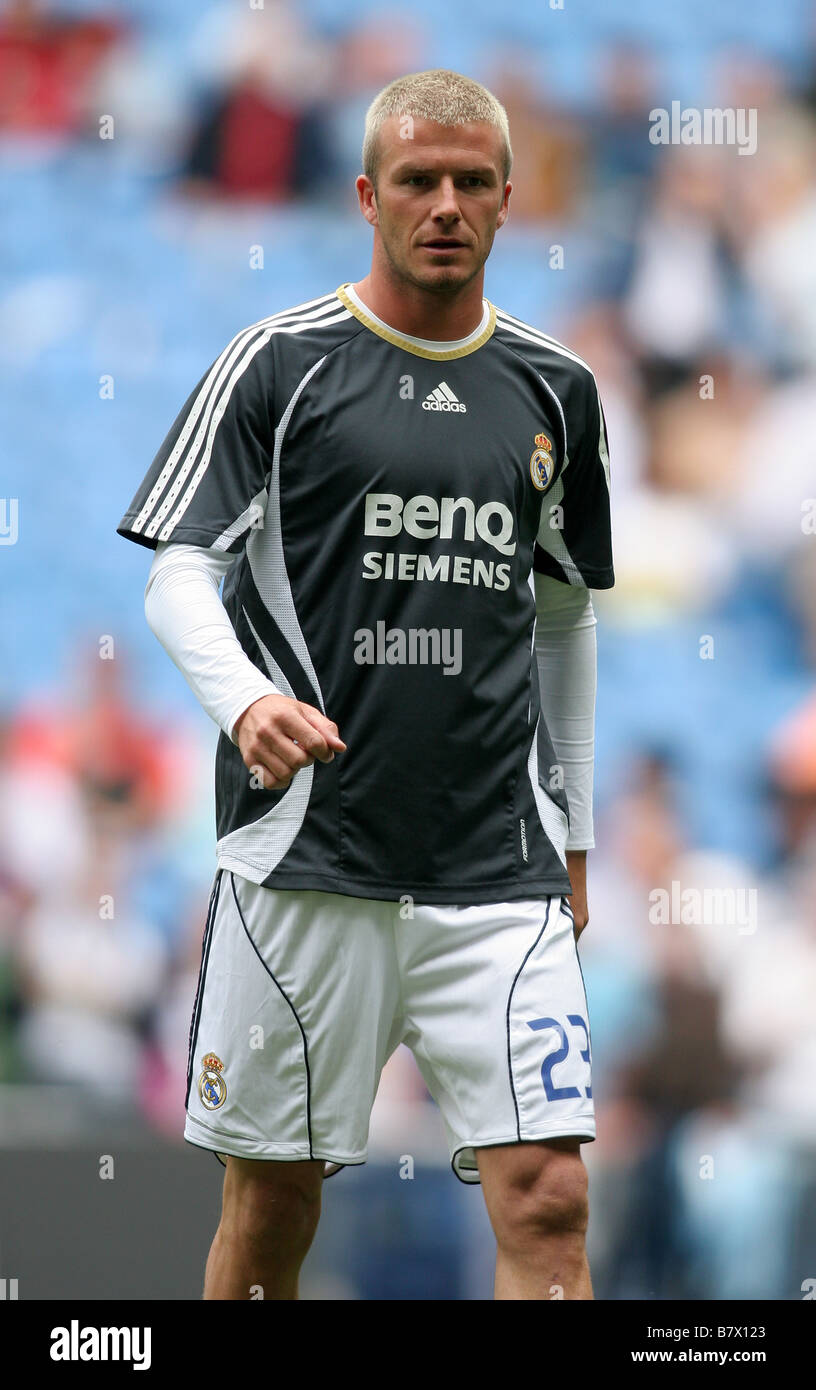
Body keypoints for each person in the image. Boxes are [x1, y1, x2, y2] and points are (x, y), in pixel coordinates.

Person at [117, 68, 614, 1301]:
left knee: (551, 1193)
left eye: (469, 182)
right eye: (416, 180)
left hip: (495, 869)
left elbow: (563, 617)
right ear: (366, 197)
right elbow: (177, 571)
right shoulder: (277, 366)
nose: (443, 203)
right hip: (304, 861)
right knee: (274, 1205)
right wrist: (244, 699)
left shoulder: (560, 391)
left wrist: (580, 829)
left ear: (508, 200)